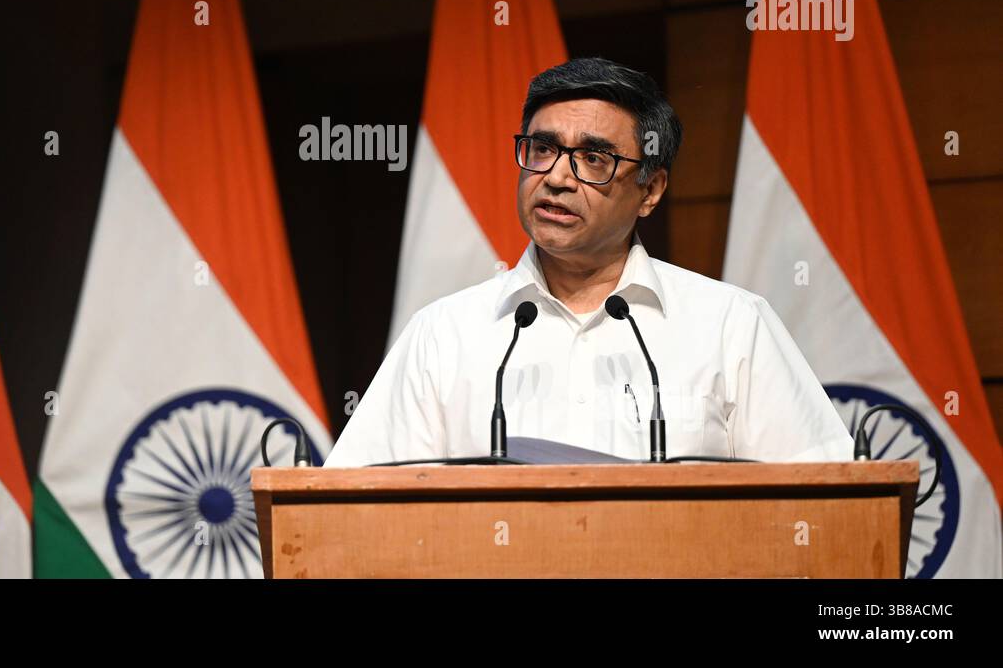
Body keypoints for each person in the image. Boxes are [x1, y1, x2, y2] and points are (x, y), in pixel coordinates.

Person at [324, 57, 853, 466]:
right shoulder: (443, 335)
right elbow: (357, 504)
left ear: (650, 190)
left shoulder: (731, 325)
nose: (556, 177)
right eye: (542, 149)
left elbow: (823, 496)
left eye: (593, 158)